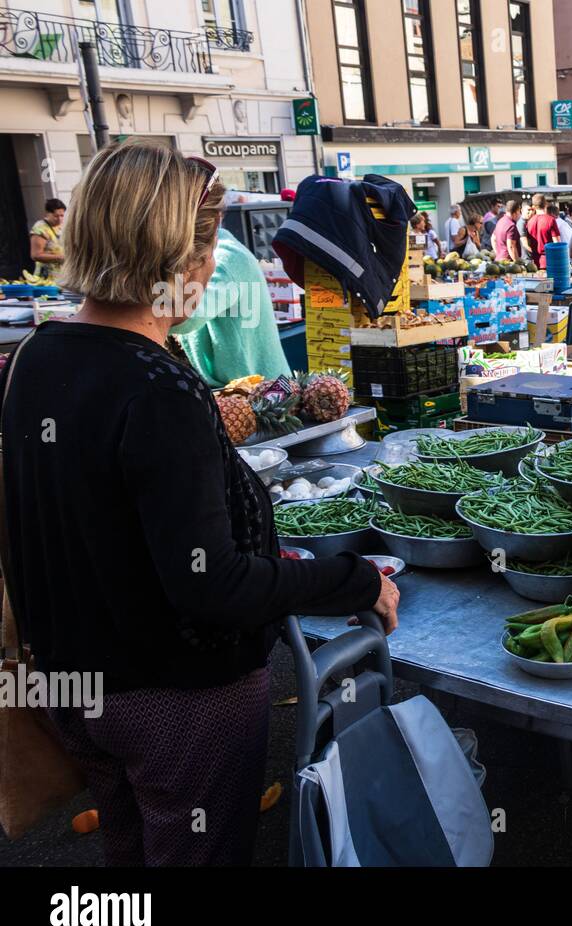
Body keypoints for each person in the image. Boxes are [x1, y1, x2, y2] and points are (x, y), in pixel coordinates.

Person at [0, 139, 398, 866]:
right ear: (179, 262)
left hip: (73, 688)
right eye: (207, 254)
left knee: (127, 857)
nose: (211, 271)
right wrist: (355, 579)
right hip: (170, 702)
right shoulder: (158, 387)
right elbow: (211, 584)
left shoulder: (36, 357)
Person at [172, 227, 294, 386]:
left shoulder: (228, 258)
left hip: (266, 390)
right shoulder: (203, 253)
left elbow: (186, 316)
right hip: (244, 390)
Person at [29, 198, 66, 280]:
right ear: (47, 213)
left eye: (62, 215)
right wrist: (61, 257)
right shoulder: (40, 228)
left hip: (62, 274)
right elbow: (35, 255)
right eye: (56, 216)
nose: (59, 219)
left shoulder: (62, 225)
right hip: (47, 276)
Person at [525, 198, 561, 269]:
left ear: (534, 207)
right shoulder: (550, 220)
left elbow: (528, 244)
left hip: (535, 264)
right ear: (545, 205)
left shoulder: (529, 221)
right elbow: (557, 244)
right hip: (550, 262)